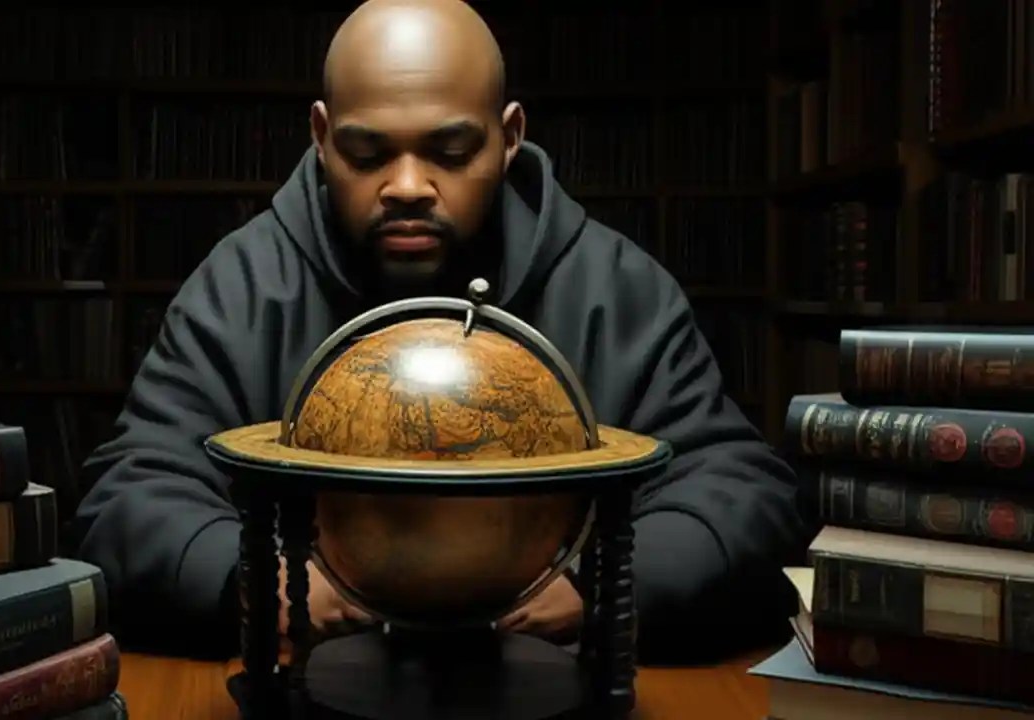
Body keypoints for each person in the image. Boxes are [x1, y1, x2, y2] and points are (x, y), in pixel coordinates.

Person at [71, 0, 808, 664]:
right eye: (367, 154)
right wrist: (248, 578)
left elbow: (745, 491)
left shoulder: (614, 289)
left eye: (451, 152)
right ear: (321, 137)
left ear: (509, 136)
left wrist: (612, 584)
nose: (409, 186)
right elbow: (129, 491)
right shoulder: (243, 287)